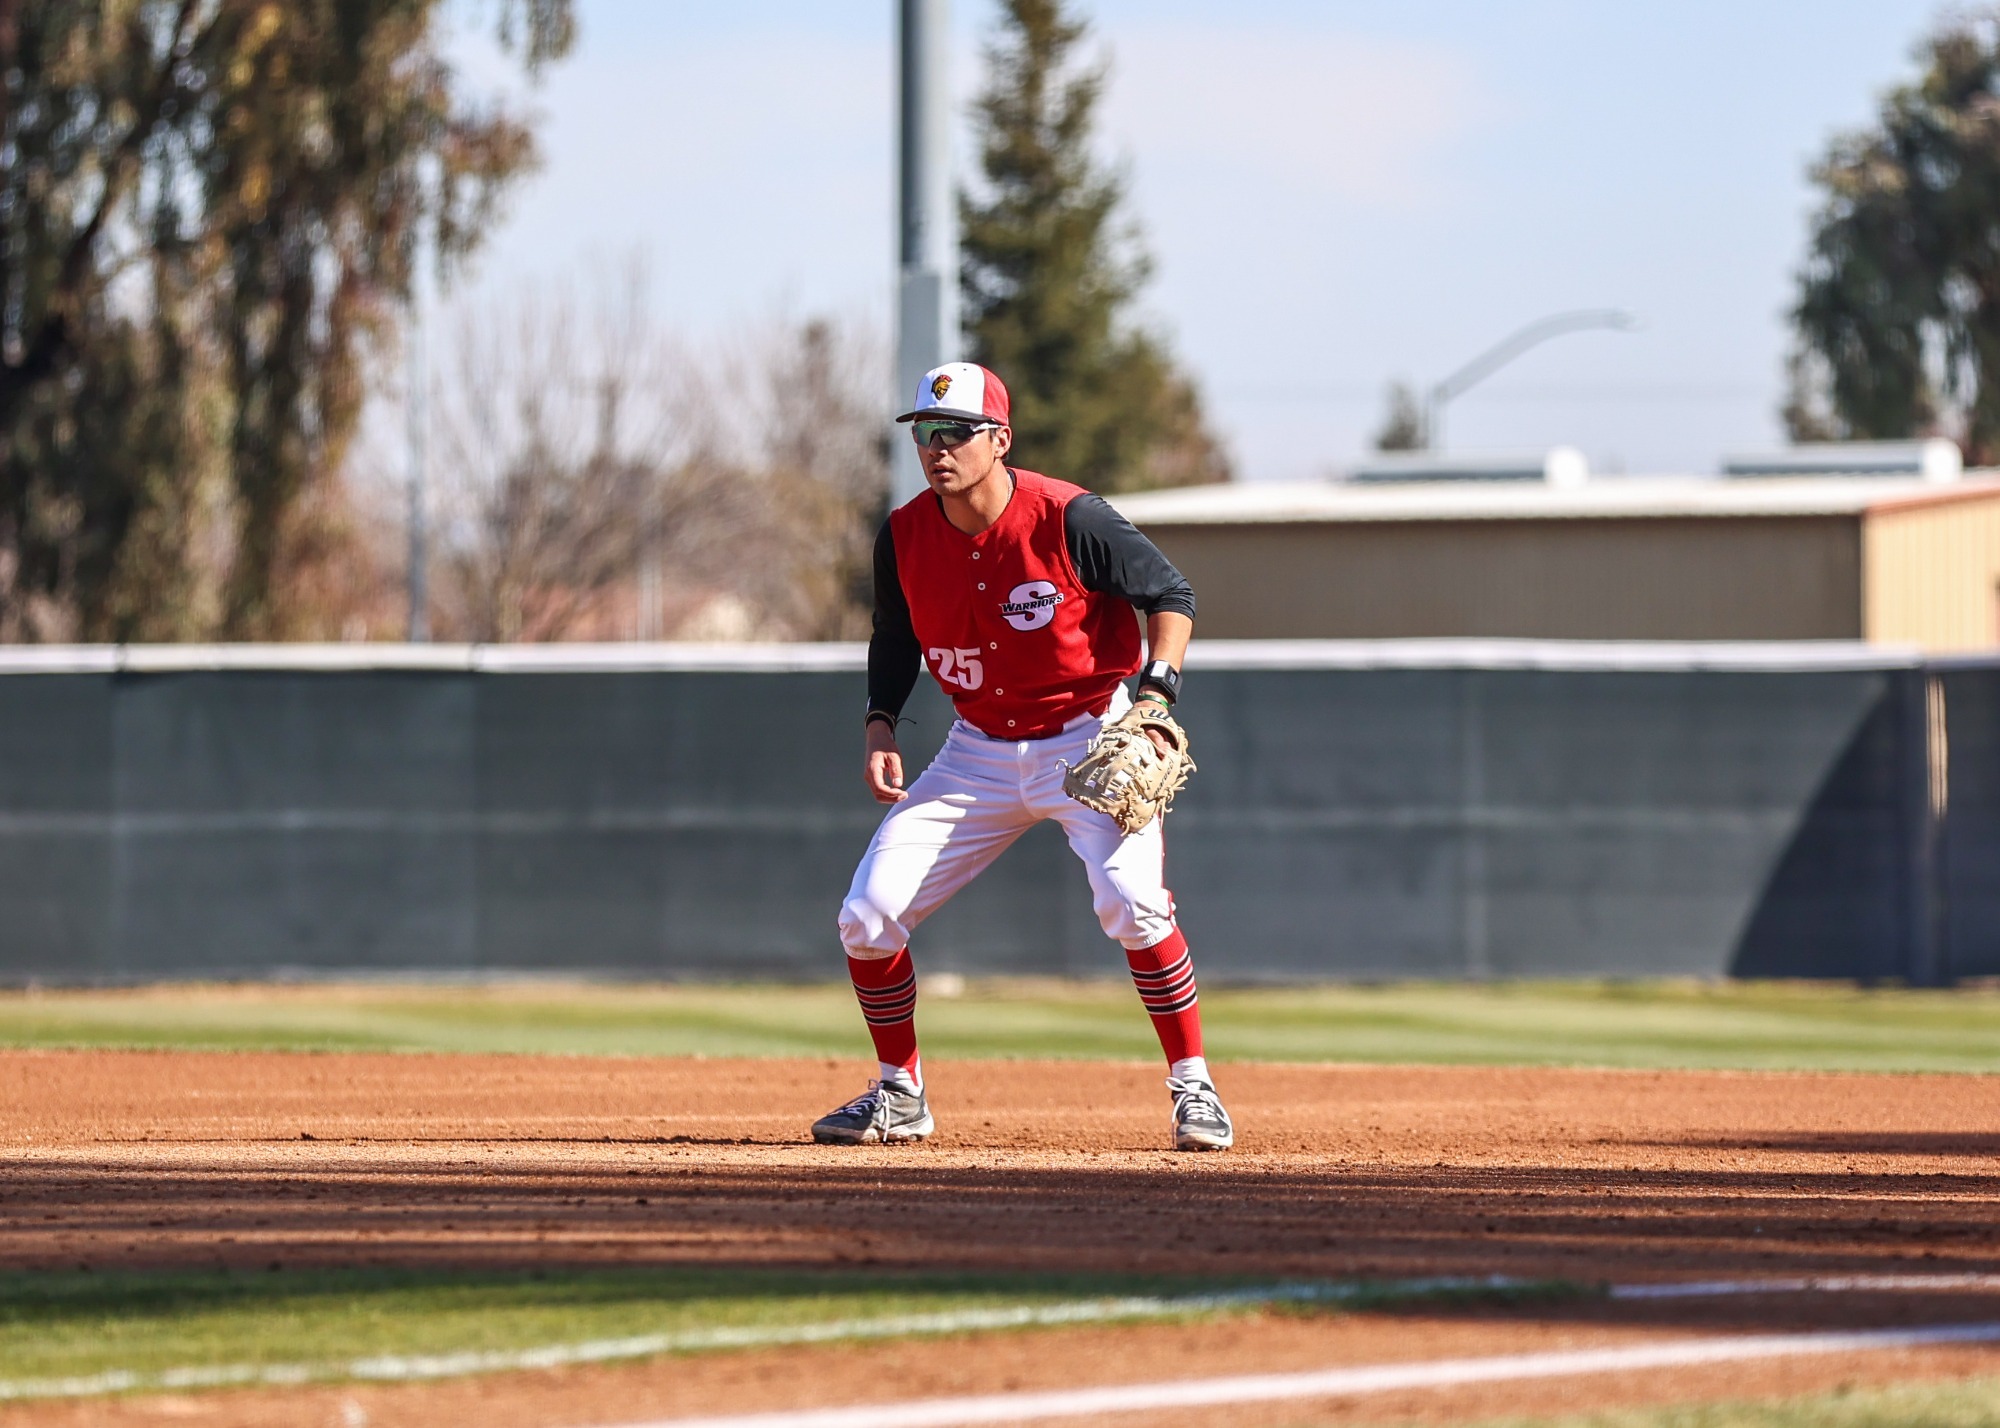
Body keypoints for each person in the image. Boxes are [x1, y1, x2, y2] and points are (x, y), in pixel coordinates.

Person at [811, 361, 1234, 1152]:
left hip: (1089, 733)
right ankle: (900, 1095)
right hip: (975, 750)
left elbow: (1171, 596)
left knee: (1131, 905)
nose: (939, 447)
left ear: (1000, 440)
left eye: (958, 432)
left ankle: (1194, 1087)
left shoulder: (1070, 517)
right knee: (867, 917)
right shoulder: (903, 533)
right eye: (926, 433)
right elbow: (895, 639)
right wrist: (880, 724)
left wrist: (1154, 700)